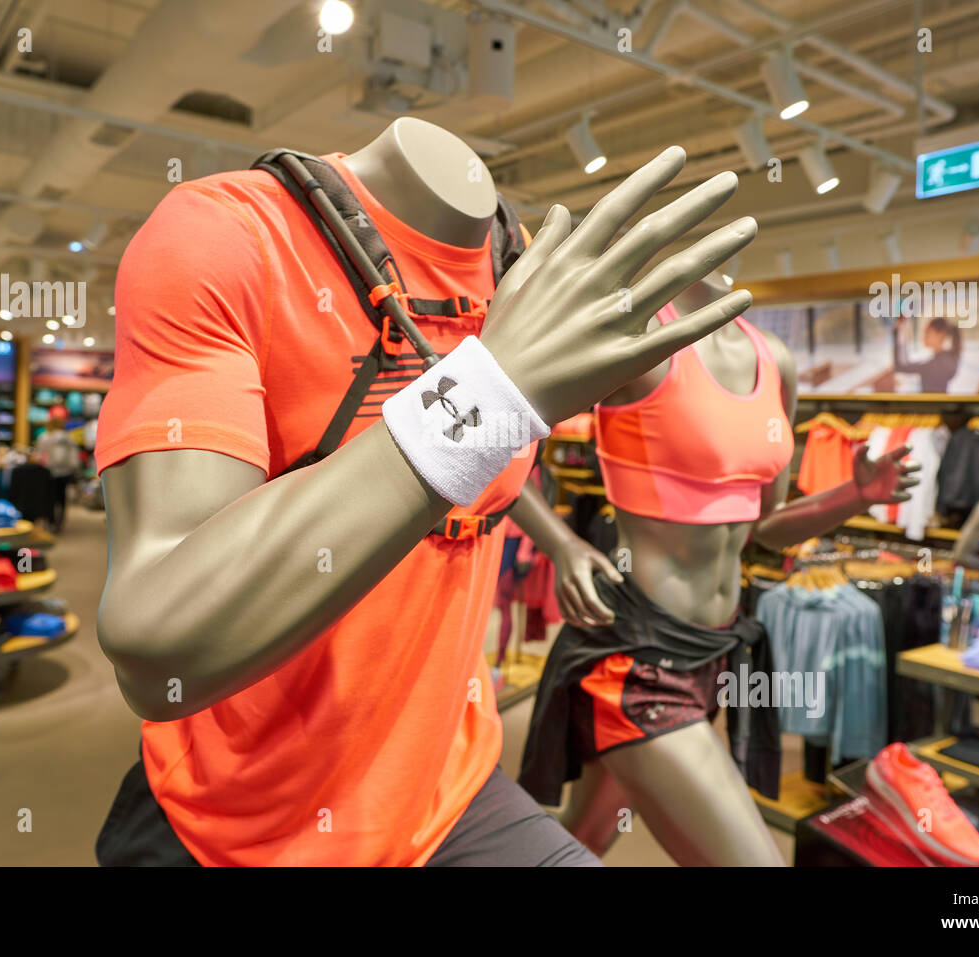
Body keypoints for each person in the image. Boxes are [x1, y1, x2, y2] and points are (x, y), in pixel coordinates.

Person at [91, 119, 760, 866]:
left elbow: (498, 483)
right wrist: (488, 395)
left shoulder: (523, 275)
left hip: (451, 783)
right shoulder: (231, 233)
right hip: (242, 819)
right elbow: (155, 648)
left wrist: (559, 532)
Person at [514, 279, 920, 866]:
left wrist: (855, 496)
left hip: (713, 654)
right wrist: (563, 543)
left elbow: (768, 524)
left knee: (584, 839)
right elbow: (490, 432)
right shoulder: (643, 337)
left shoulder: (772, 359)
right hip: (636, 657)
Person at [34, 414, 80, 532]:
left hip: (49, 471)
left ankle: (50, 521)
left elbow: (39, 454)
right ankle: (60, 523)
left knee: (49, 497)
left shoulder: (45, 437)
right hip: (65, 472)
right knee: (62, 497)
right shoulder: (69, 437)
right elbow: (74, 456)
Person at [894, 315, 961, 392]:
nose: (924, 336)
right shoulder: (945, 359)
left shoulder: (938, 364)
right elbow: (903, 365)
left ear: (940, 335)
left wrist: (899, 332)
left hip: (932, 404)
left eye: (927, 332)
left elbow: (901, 366)